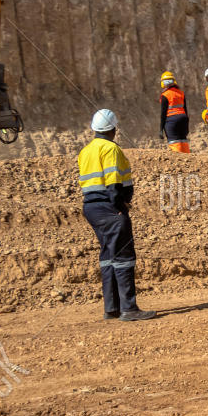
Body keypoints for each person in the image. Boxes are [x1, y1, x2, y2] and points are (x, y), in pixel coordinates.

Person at [78, 109, 153, 322]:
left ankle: (111, 308)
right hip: (110, 207)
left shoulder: (86, 151)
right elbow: (113, 182)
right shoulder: (110, 149)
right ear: (113, 129)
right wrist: (119, 205)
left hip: (91, 208)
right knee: (123, 258)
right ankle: (129, 309)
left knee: (108, 257)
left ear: (94, 129)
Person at [158, 70, 189, 152]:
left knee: (174, 142)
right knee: (183, 141)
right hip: (183, 119)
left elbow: (163, 113)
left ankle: (178, 159)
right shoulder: (181, 93)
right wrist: (187, 125)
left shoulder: (165, 95)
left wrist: (161, 129)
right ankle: (189, 161)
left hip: (172, 121)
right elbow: (185, 110)